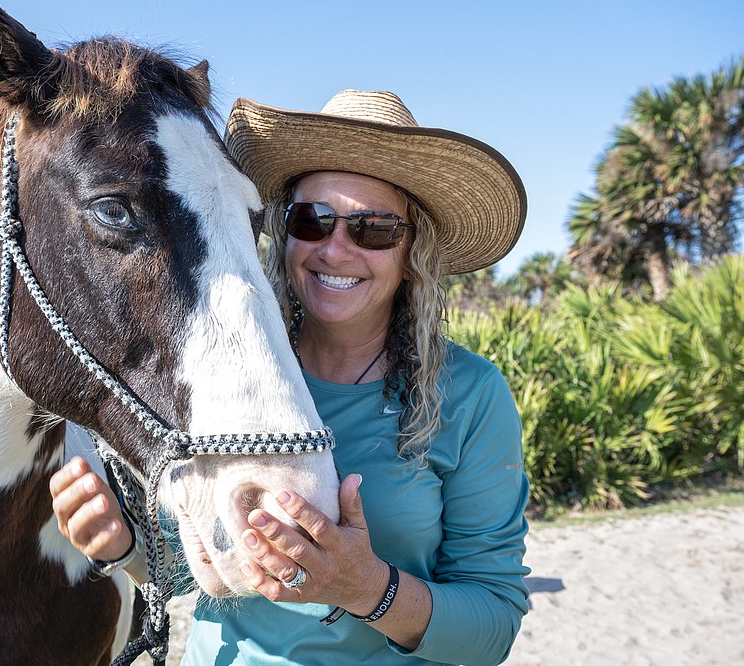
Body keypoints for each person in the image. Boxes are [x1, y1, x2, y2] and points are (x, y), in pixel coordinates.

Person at [51, 90, 530, 665]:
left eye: (373, 229)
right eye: (313, 220)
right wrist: (126, 545)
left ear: (411, 252)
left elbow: (492, 625)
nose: (334, 249)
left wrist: (365, 588)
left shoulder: (471, 395)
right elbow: (198, 565)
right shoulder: (222, 366)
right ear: (284, 236)